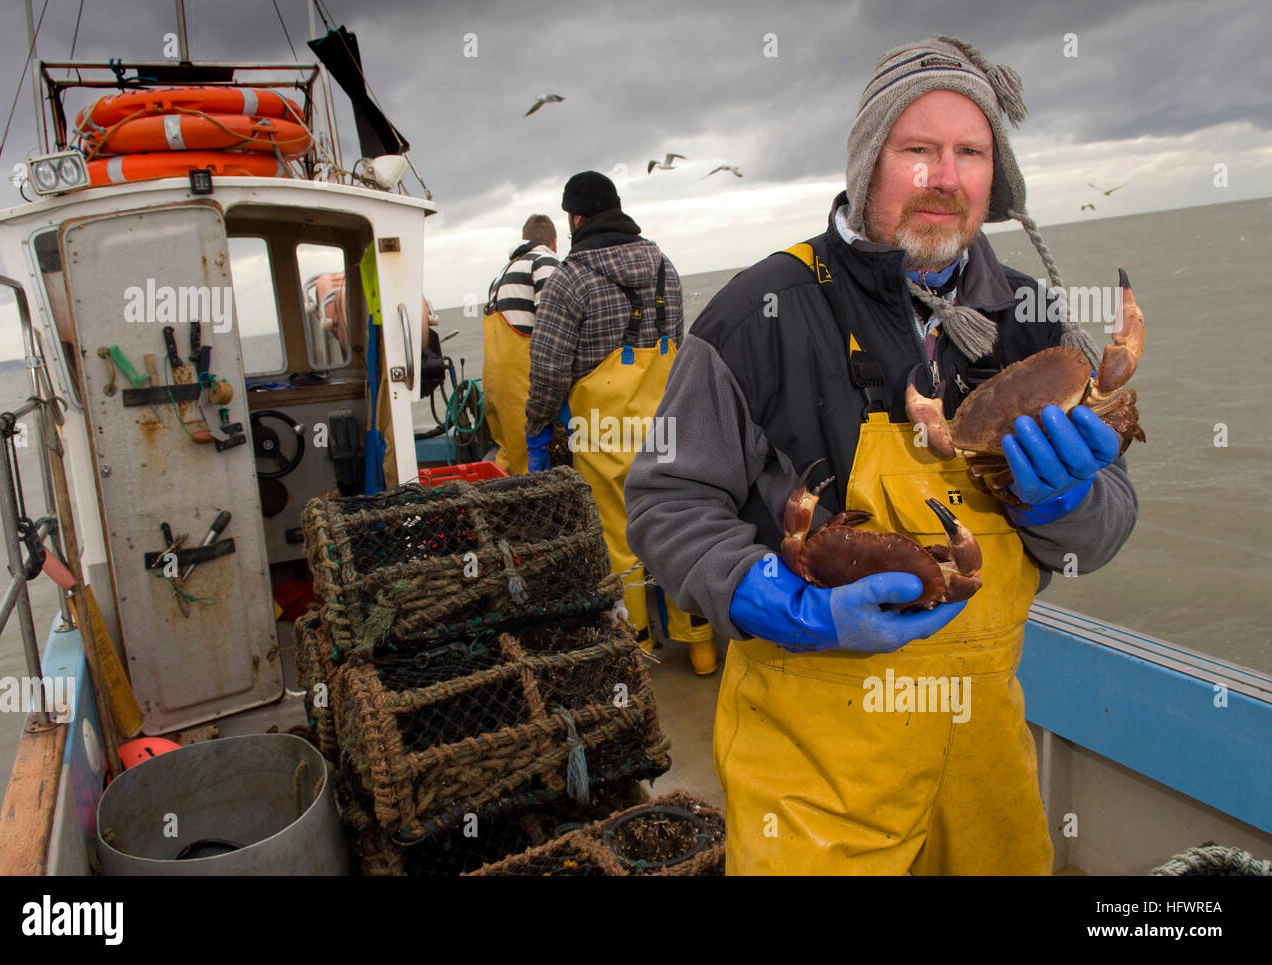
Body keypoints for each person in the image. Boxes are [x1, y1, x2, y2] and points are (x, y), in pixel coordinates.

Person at [625, 36, 1141, 874]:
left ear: (995, 174)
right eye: (919, 151)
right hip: (818, 763)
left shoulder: (1037, 321)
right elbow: (664, 502)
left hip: (986, 750)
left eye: (971, 152)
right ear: (869, 163)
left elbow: (1107, 530)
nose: (946, 177)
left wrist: (1067, 505)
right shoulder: (758, 313)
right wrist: (760, 594)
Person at [526, 171, 719, 674]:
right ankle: (699, 645)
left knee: (619, 535)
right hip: (667, 422)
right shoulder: (664, 266)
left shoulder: (569, 279)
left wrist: (538, 426)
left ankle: (637, 649)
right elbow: (676, 343)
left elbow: (548, 368)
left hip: (603, 432)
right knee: (677, 524)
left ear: (575, 218)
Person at [483, 214, 560, 474]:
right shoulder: (544, 261)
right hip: (524, 384)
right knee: (531, 465)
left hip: (496, 388)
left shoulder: (500, 275)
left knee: (510, 459)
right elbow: (553, 328)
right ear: (555, 242)